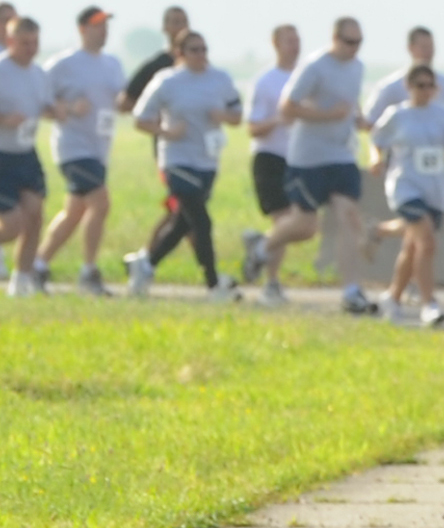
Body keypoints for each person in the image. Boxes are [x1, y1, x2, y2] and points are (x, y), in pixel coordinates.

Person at [243, 17, 377, 312]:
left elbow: (350, 103)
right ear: (335, 39)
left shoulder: (357, 68)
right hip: (309, 157)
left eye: (359, 42)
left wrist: (358, 119)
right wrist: (328, 116)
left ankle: (352, 291)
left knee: (349, 216)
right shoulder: (316, 66)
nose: (354, 49)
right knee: (304, 225)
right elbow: (288, 107)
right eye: (349, 42)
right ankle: (261, 247)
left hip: (341, 154)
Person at [124, 30, 243, 299]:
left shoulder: (219, 79)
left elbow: (237, 115)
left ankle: (146, 264)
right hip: (177, 159)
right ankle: (214, 284)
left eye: (204, 49)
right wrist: (166, 132)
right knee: (201, 220)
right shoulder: (167, 81)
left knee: (182, 223)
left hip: (207, 160)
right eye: (194, 50)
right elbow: (140, 118)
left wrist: (222, 115)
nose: (201, 55)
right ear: (180, 53)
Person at [0, 17, 63, 295]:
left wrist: (58, 112)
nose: (31, 49)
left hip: (25, 153)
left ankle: (21, 279)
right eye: (24, 43)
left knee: (35, 215)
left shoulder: (38, 74)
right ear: (10, 41)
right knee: (13, 224)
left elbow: (43, 106)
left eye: (35, 43)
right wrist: (3, 119)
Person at [37, 6, 127, 295]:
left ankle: (37, 266)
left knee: (75, 212)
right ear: (83, 29)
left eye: (106, 25)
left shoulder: (112, 64)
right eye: (98, 25)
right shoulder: (63, 64)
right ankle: (89, 273)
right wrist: (68, 109)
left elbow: (121, 100)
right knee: (101, 203)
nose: (104, 31)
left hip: (99, 147)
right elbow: (40, 102)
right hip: (72, 148)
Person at [370, 64, 444, 326]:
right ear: (408, 88)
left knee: (412, 247)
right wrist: (376, 160)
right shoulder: (397, 116)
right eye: (419, 86)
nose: (425, 91)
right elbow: (377, 140)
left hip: (434, 188)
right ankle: (429, 304)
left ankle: (393, 296)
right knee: (428, 243)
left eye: (430, 86)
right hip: (406, 186)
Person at [242, 25, 302, 277]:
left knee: (296, 223)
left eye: (297, 40)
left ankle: (260, 245)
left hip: (299, 158)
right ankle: (272, 282)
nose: (295, 46)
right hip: (270, 157)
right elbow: (253, 127)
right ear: (276, 44)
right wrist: (280, 119)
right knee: (283, 218)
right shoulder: (265, 81)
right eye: (289, 41)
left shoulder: (305, 79)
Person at [366, 26, 444, 122]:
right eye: (424, 47)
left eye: (431, 47)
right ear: (410, 48)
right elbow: (371, 121)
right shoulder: (391, 87)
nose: (429, 52)